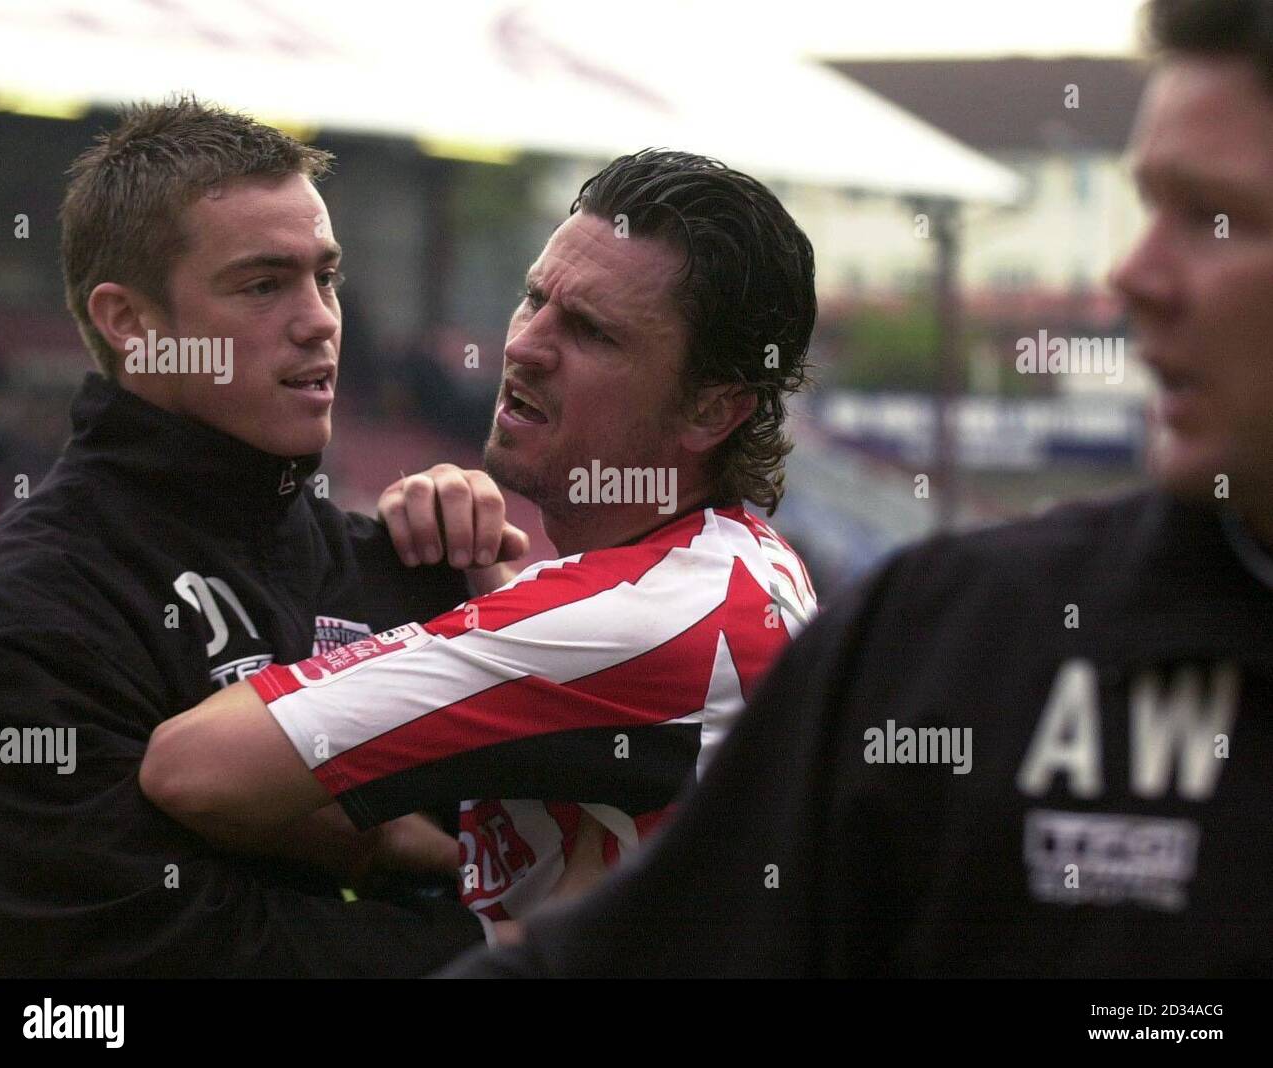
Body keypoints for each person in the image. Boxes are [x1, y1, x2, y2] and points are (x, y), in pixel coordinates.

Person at [437, 0, 1273, 978]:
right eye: (1146, 207)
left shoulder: (717, 600)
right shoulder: (947, 638)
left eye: (1219, 219)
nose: (1131, 274)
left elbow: (223, 764)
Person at [139, 149, 820, 941]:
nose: (526, 346)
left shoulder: (642, 623)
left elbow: (193, 770)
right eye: (534, 299)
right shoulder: (745, 561)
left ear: (713, 411)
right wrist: (495, 589)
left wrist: (386, 849)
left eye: (593, 332)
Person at [0, 98, 526, 977]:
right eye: (264, 284)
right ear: (132, 324)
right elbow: (129, 965)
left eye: (328, 277)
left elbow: (523, 856)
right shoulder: (28, 617)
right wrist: (496, 953)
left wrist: (497, 605)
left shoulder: (404, 567)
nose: (322, 321)